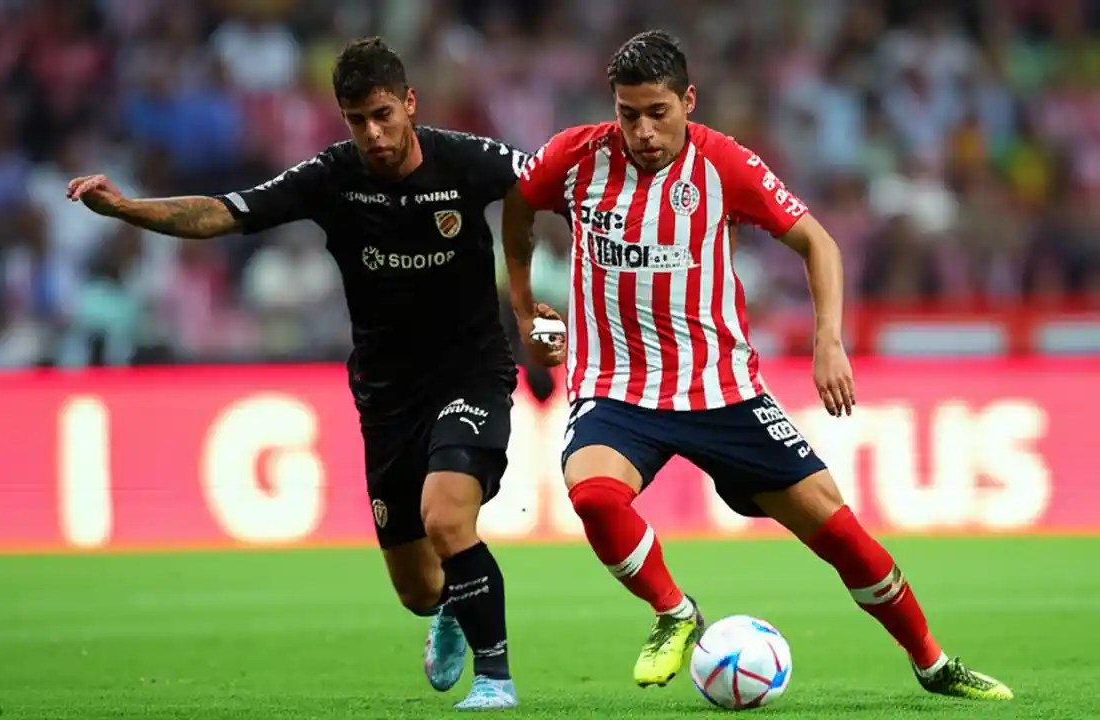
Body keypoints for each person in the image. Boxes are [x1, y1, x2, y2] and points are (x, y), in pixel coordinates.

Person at [500, 30, 1012, 701]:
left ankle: (933, 662)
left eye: (658, 113)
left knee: (838, 532)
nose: (644, 131)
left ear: (688, 100)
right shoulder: (575, 158)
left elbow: (817, 242)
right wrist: (526, 310)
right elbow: (517, 212)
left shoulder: (725, 164)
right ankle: (674, 613)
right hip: (618, 388)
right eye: (629, 114)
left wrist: (829, 340)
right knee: (593, 495)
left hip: (723, 391)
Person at [67, 37, 525, 711]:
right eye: (357, 120)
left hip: (471, 375)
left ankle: (495, 681)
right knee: (419, 590)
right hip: (388, 397)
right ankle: (453, 604)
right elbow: (226, 211)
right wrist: (128, 207)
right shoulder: (332, 176)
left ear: (409, 103)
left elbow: (547, 179)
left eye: (382, 115)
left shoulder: (466, 160)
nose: (373, 134)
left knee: (447, 518)